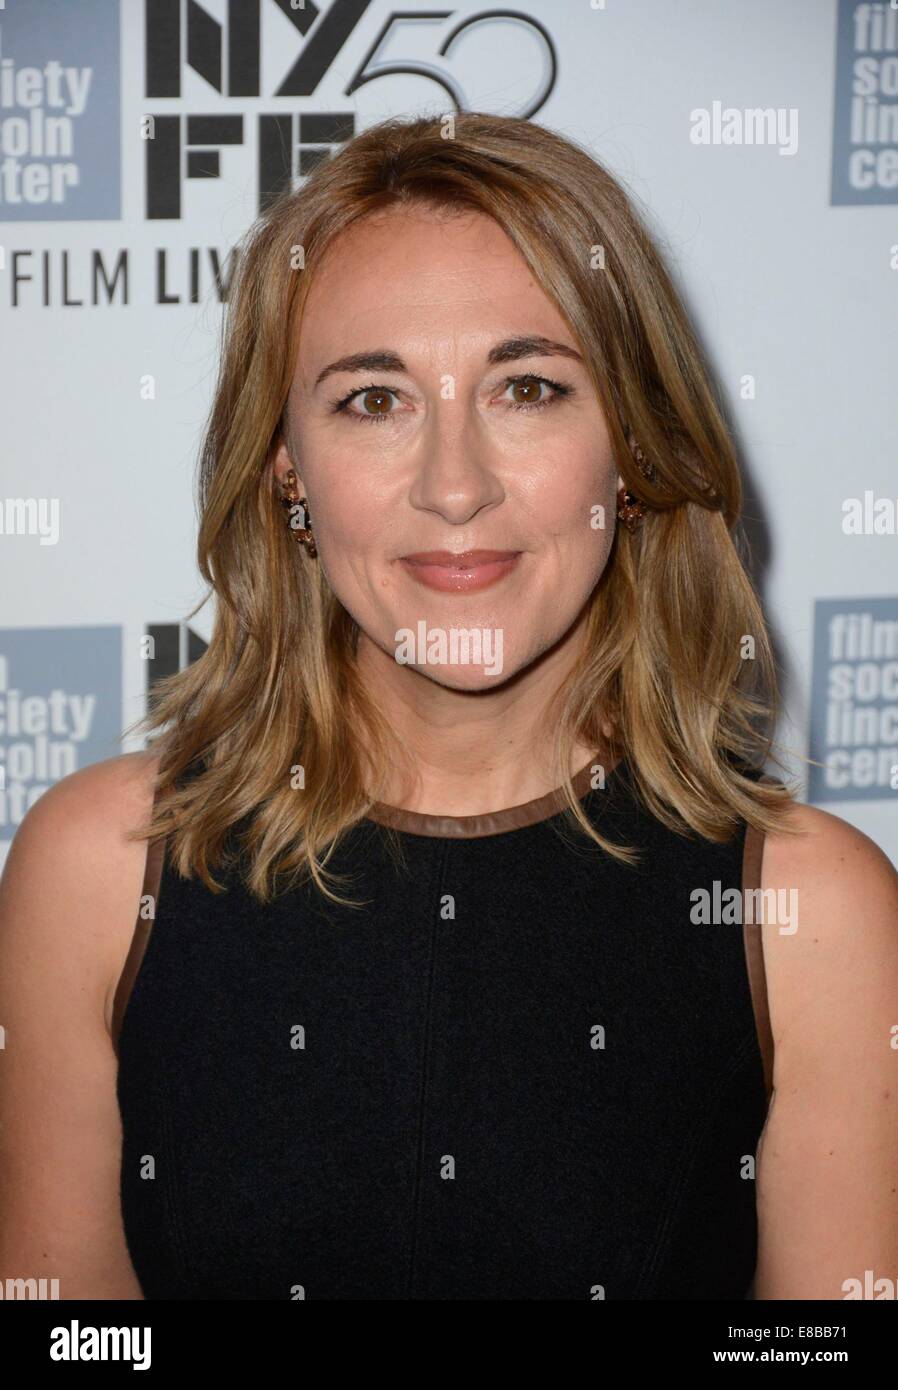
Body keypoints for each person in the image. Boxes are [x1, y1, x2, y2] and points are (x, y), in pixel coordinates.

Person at [1, 112, 896, 1301]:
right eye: (374, 401)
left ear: (628, 449)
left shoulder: (807, 911)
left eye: (526, 387)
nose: (455, 487)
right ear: (286, 472)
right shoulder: (98, 871)